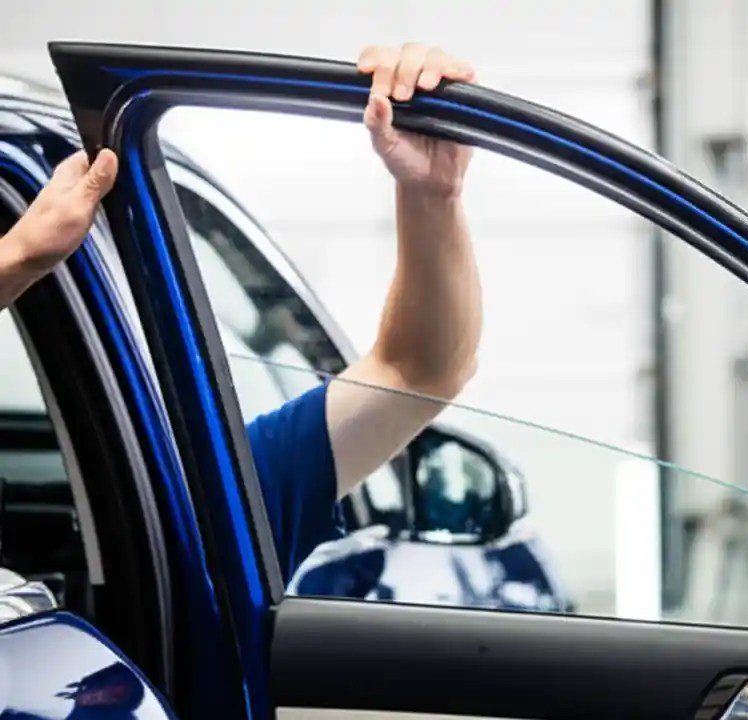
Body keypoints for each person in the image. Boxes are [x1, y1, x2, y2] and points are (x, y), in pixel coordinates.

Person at [0, 43, 482, 580]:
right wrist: (17, 259)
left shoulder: (198, 508)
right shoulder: (186, 519)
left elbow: (417, 371)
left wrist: (433, 195)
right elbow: (417, 373)